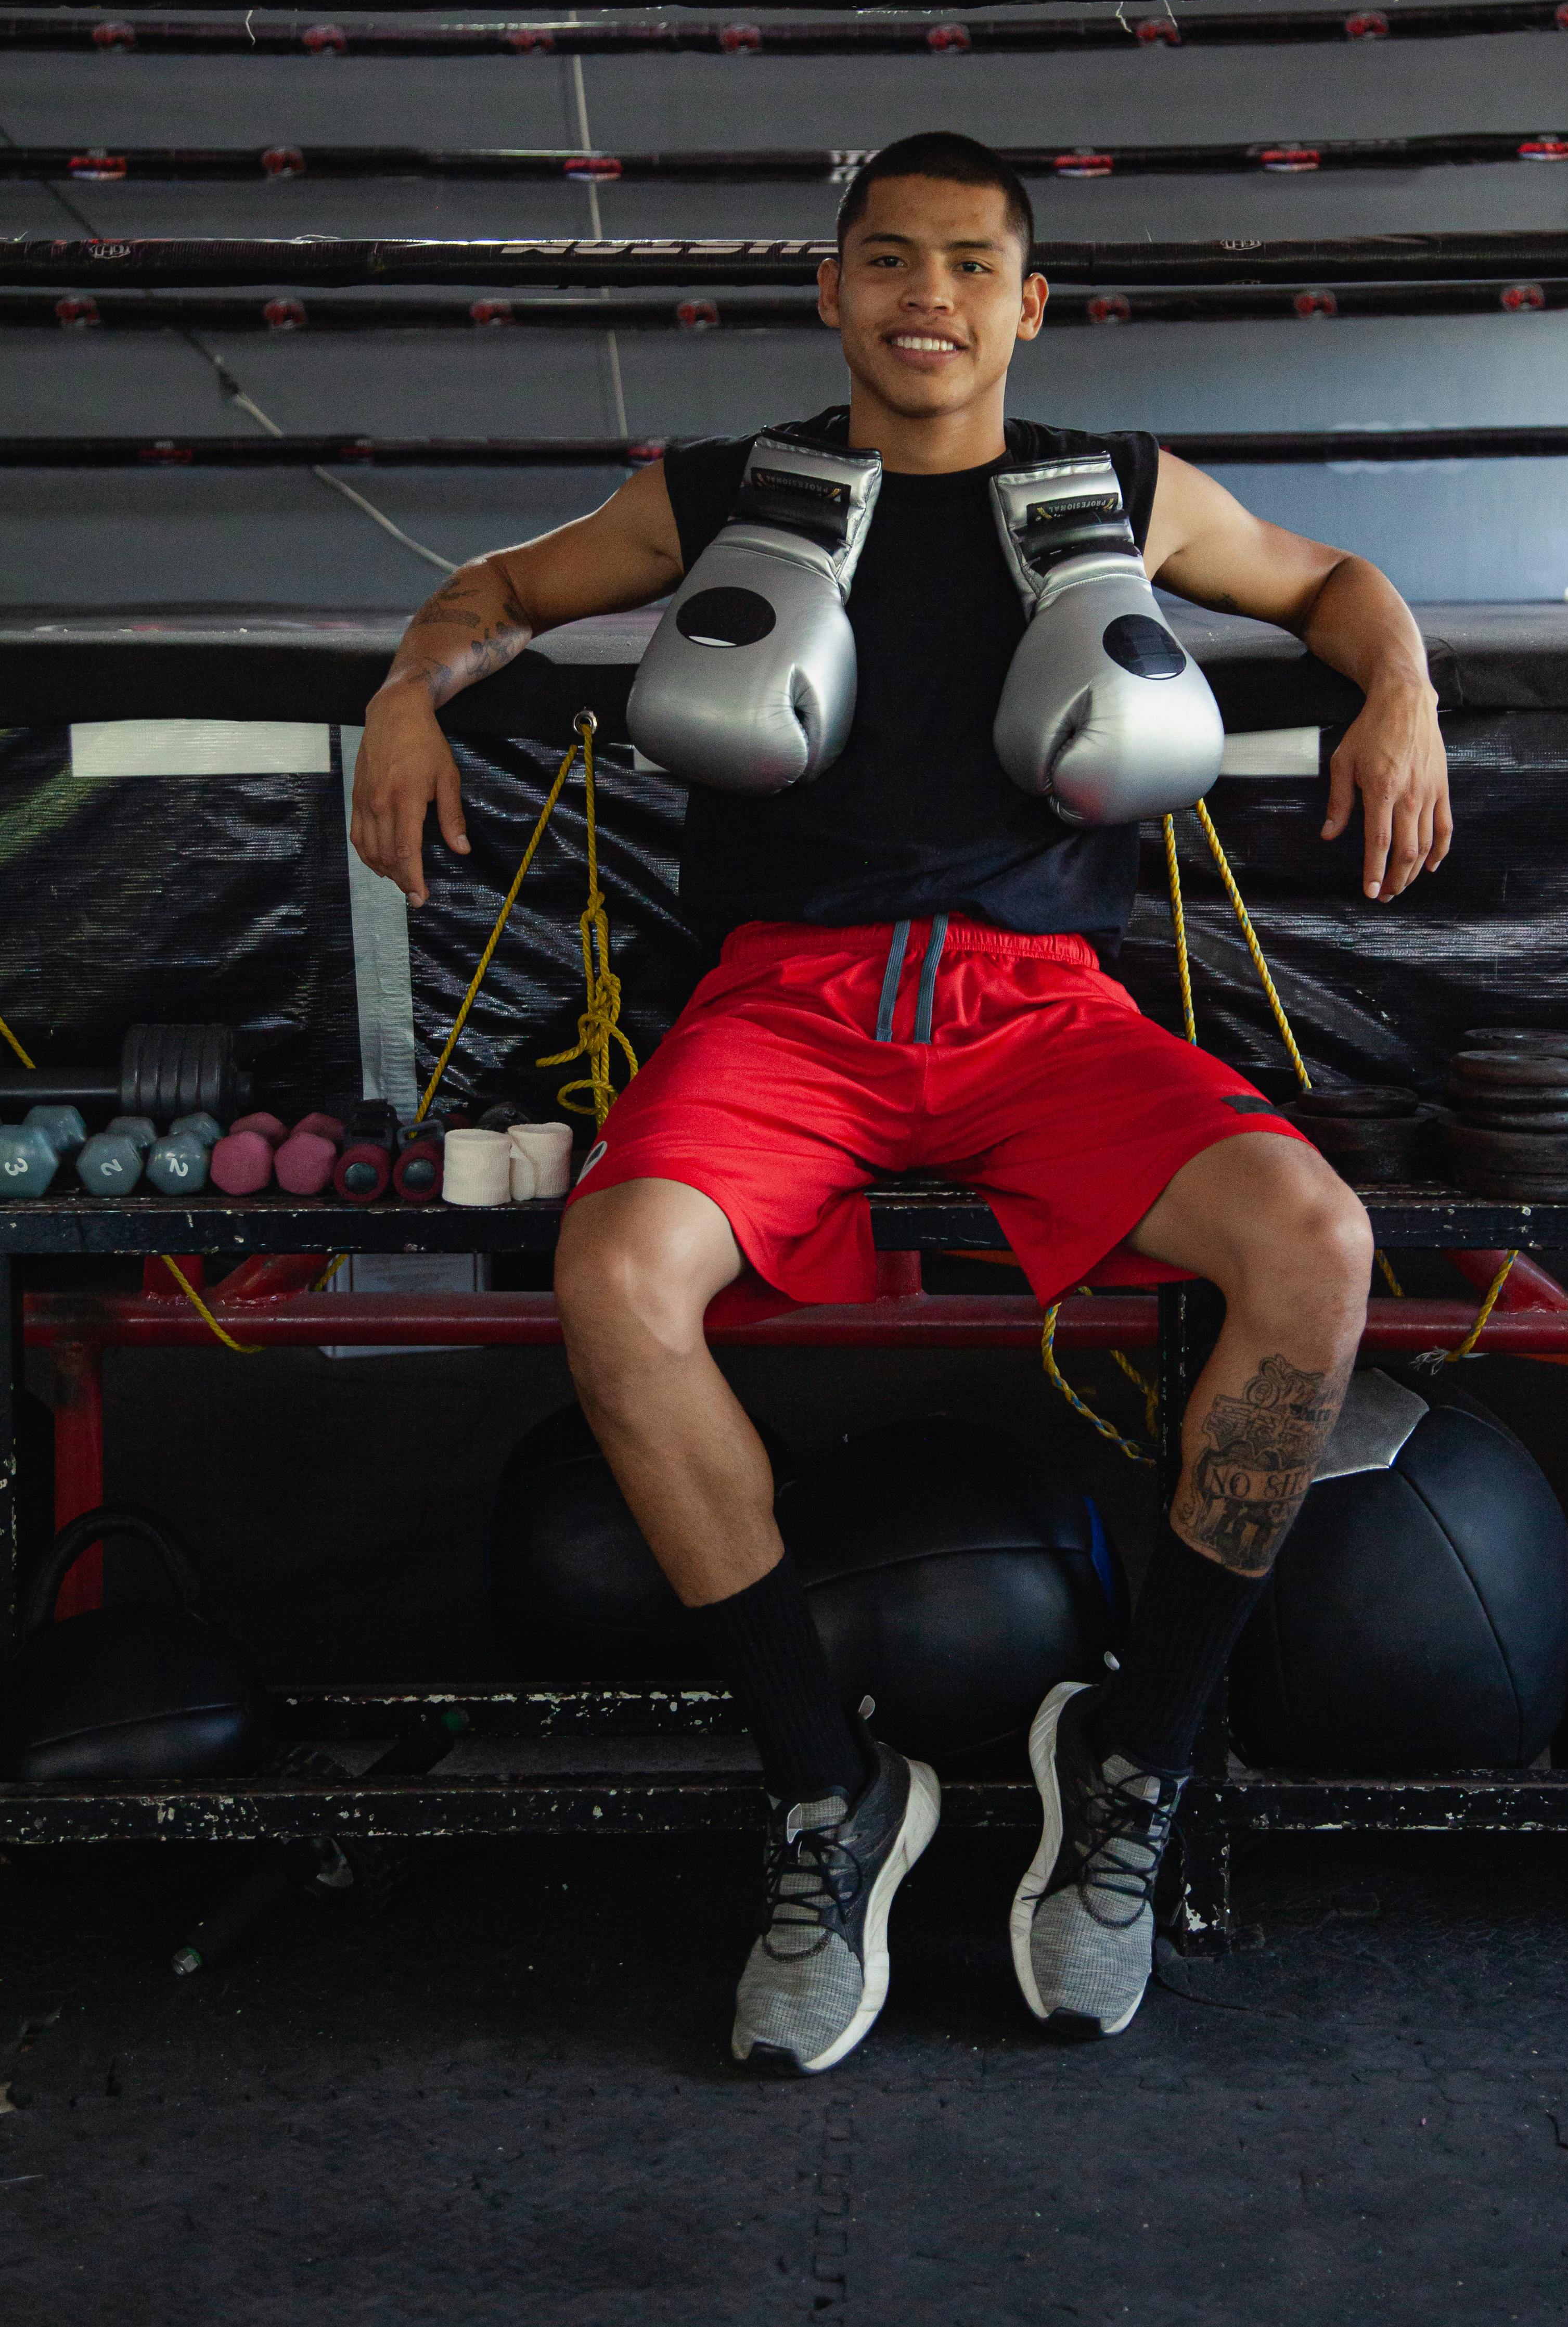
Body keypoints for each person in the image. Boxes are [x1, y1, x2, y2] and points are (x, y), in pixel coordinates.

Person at [351, 132, 1453, 2075]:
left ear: (1029, 304)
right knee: (614, 1276)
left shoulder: (1115, 491)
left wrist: (1403, 691)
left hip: (1043, 1014)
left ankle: (1133, 1761)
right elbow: (500, 587)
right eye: (884, 259)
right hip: (786, 1010)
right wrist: (406, 690)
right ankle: (825, 1788)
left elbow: (1332, 581)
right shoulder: (724, 491)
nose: (923, 295)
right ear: (832, 289)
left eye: (965, 264)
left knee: (1314, 1245)